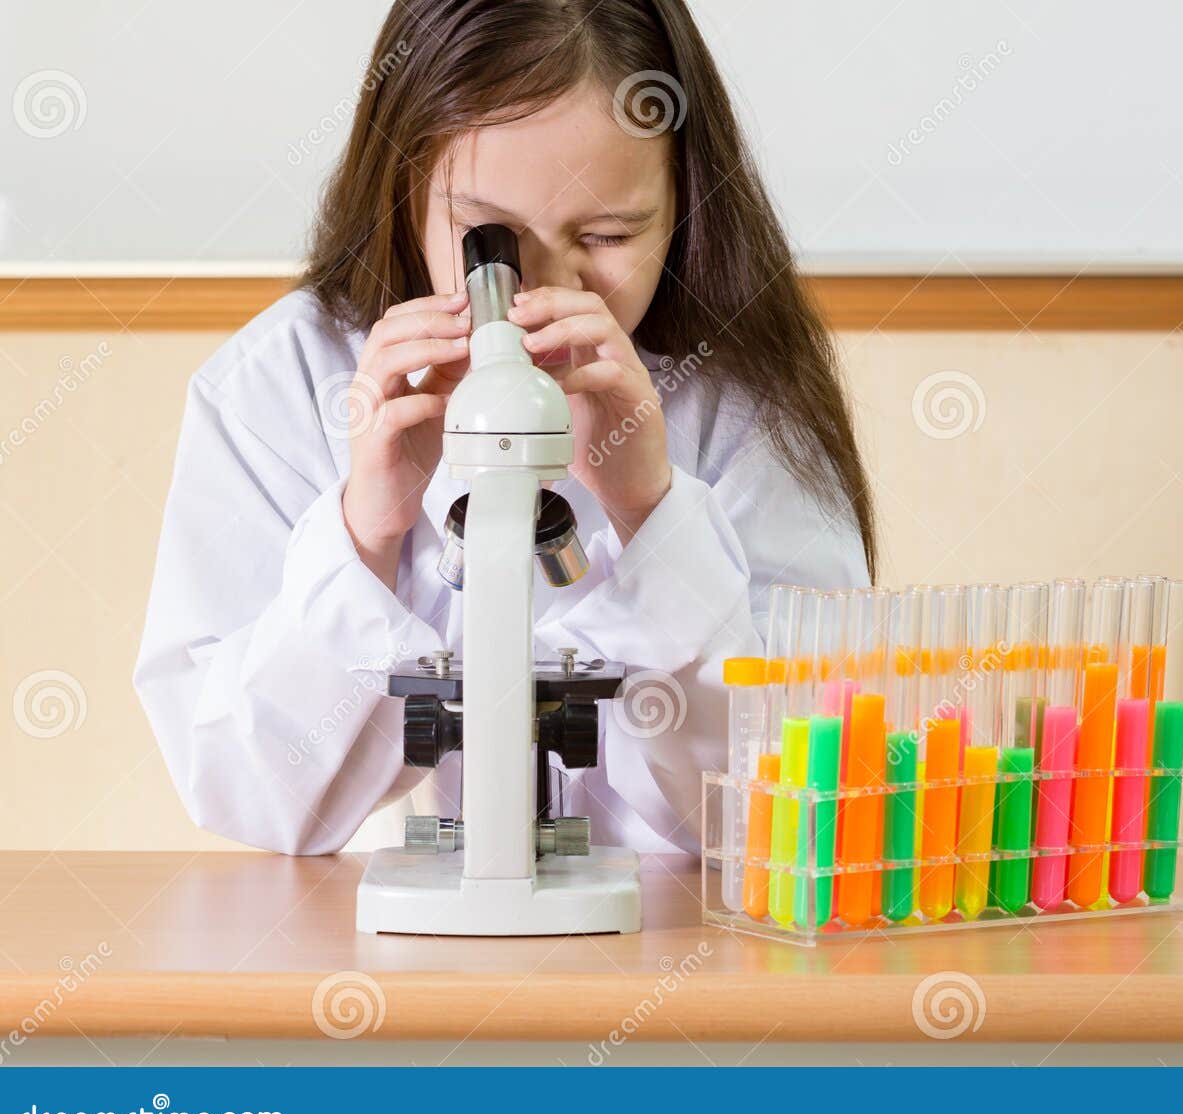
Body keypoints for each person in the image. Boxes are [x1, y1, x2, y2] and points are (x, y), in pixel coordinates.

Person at [133, 0, 876, 856]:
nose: (539, 292)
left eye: (607, 234)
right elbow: (241, 789)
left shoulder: (740, 396)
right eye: (489, 240)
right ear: (405, 193)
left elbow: (802, 806)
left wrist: (652, 514)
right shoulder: (291, 380)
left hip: (688, 927)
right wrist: (365, 534)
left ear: (686, 204)